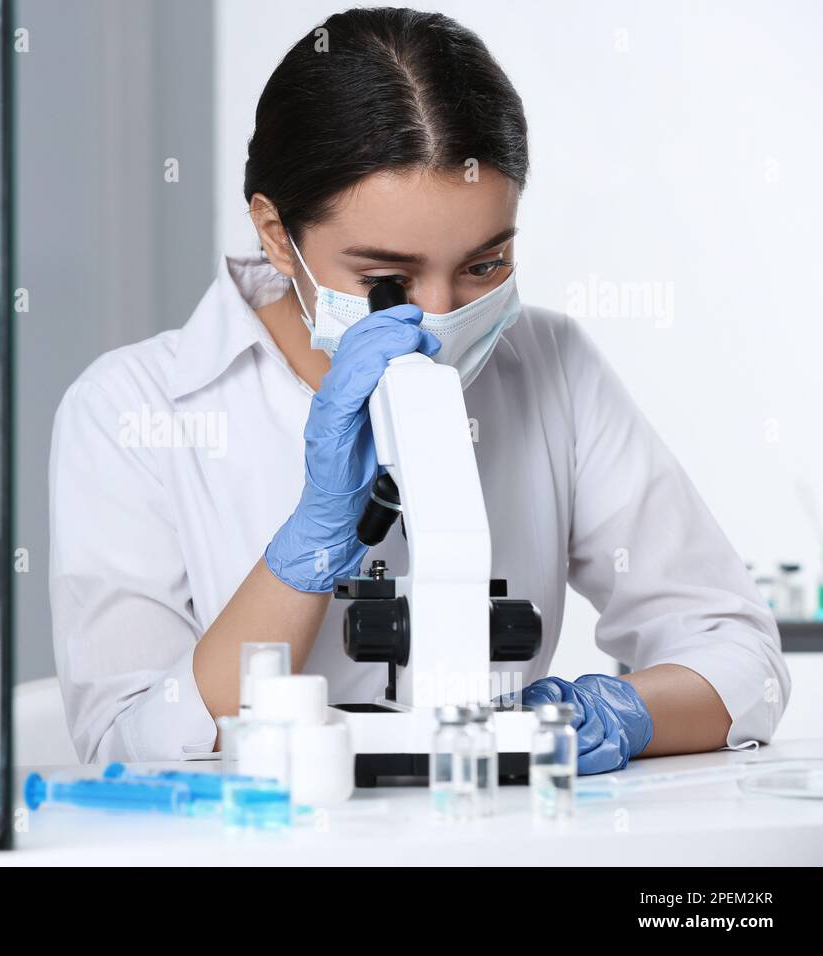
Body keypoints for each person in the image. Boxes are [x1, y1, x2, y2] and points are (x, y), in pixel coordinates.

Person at [47, 6, 789, 773]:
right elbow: (127, 742)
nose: (439, 317)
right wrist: (303, 554)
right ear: (275, 233)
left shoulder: (552, 365)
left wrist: (618, 712)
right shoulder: (131, 409)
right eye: (385, 279)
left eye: (484, 264)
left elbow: (739, 656)